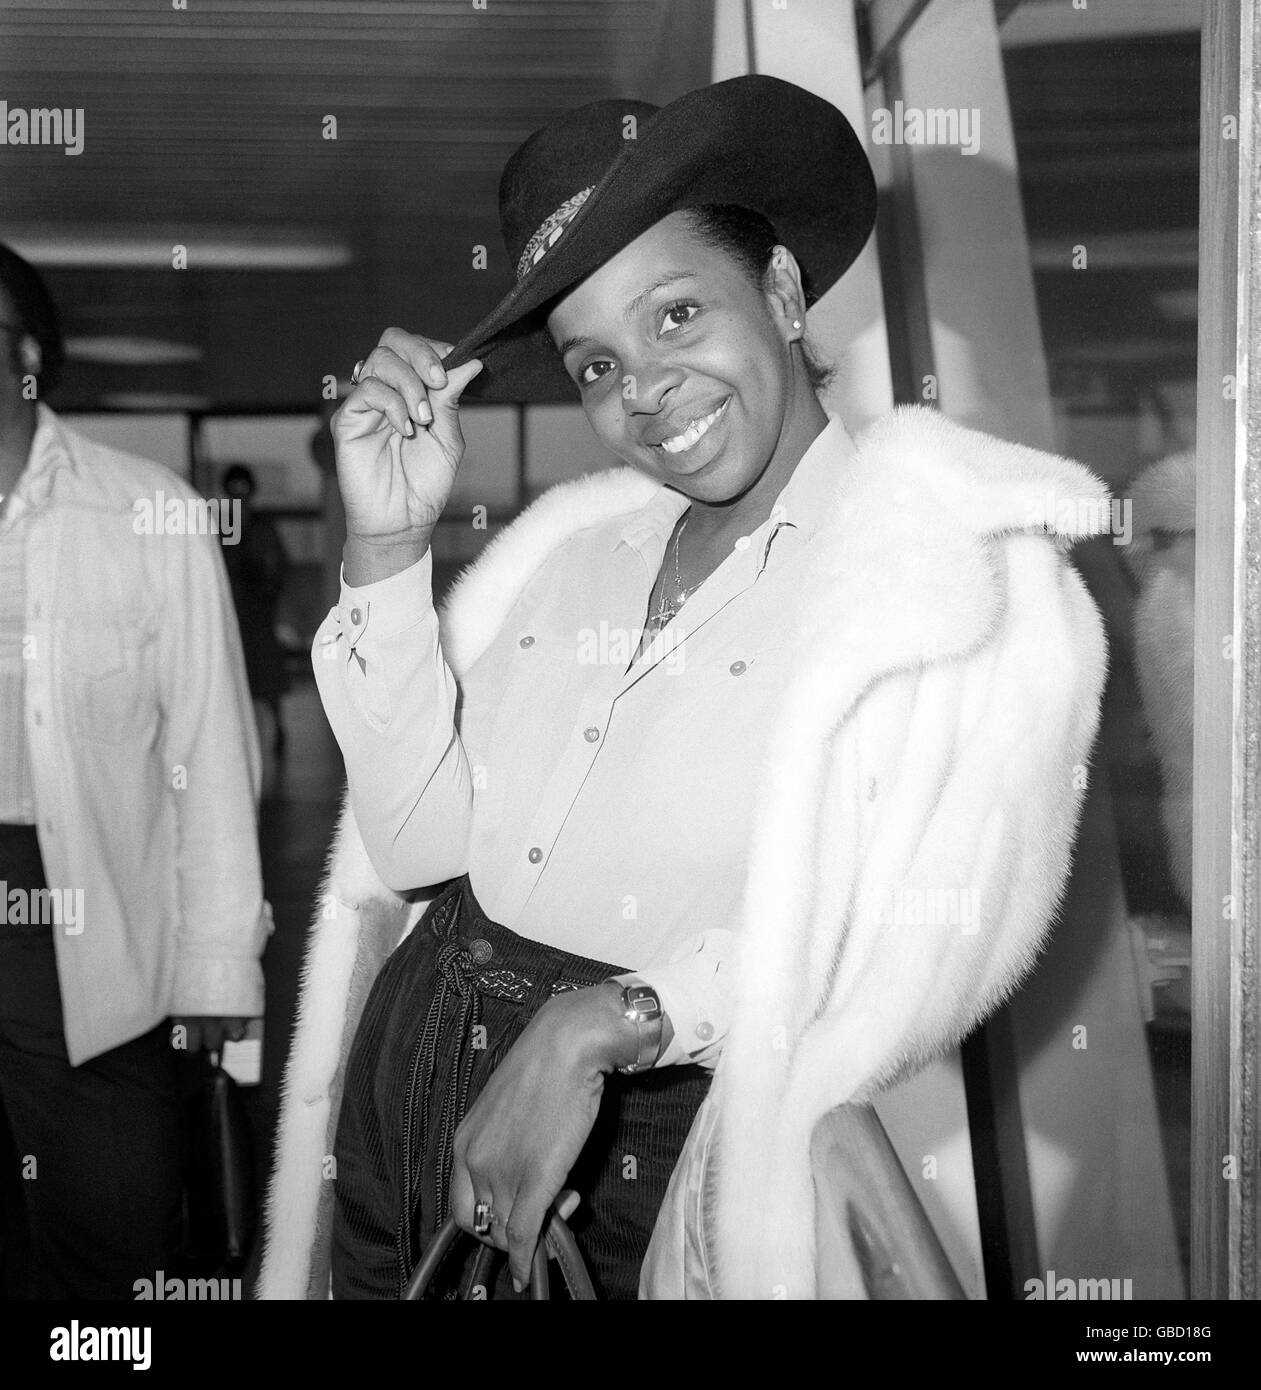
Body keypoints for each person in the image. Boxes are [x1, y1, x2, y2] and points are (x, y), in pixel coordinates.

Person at [260, 75, 1109, 1301]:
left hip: (651, 1158)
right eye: (595, 361)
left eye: (674, 316)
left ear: (775, 291)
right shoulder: (565, 553)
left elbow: (907, 946)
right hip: (411, 1088)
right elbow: (411, 843)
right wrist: (388, 551)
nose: (642, 390)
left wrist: (610, 1021)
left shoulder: (959, 582)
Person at [0, 244, 269, 1298]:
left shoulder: (143, 513)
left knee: (112, 1264)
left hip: (94, 943)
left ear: (28, 359)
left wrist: (215, 970)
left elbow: (208, 750)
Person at [220, 463, 290, 752]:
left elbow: (276, 566)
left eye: (243, 490)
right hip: (235, 612)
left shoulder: (260, 526)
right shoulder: (228, 523)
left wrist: (263, 584)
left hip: (258, 611)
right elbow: (222, 562)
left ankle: (277, 727)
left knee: (266, 674)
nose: (239, 496)